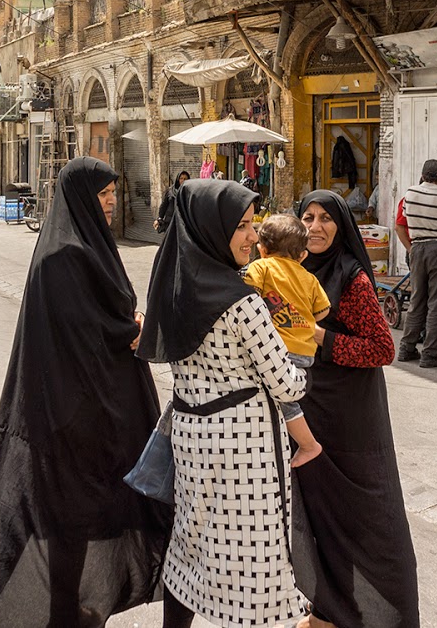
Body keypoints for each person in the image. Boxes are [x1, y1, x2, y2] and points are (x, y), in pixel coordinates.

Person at [0, 158, 169, 628]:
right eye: (104, 195)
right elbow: (88, 329)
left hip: (91, 410)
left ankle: (69, 609)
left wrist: (130, 325)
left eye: (112, 193)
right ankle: (63, 613)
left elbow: (103, 316)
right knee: (70, 517)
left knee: (78, 516)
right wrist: (129, 328)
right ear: (81, 199)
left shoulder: (84, 248)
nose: (113, 202)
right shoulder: (64, 257)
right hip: (71, 415)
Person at [136, 179, 309, 628]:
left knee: (192, 546)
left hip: (192, 441)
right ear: (213, 229)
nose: (254, 237)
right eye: (244, 226)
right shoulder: (242, 302)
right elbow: (286, 384)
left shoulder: (172, 287)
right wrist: (304, 370)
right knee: (254, 561)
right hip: (245, 451)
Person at [293, 190, 420, 628]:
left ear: (341, 225)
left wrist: (320, 337)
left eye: (326, 218)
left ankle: (388, 616)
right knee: (319, 515)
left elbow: (383, 348)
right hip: (311, 412)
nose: (315, 227)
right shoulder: (294, 271)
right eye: (307, 217)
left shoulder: (352, 278)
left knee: (369, 520)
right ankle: (327, 609)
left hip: (353, 420)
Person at [242, 213, 330, 467]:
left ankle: (308, 444)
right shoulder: (309, 278)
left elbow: (249, 295)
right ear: (303, 255)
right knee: (284, 400)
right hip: (304, 352)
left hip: (277, 350)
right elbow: (323, 311)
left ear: (262, 249)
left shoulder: (261, 266)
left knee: (284, 401)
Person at [394, 159, 437, 368]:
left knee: (416, 300)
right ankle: (430, 354)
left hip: (417, 249)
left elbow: (404, 220)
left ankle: (406, 349)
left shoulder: (409, 194)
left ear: (422, 175)